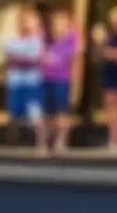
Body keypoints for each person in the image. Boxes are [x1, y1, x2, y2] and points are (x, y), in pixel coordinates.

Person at [5, 9, 47, 153]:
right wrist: (26, 59)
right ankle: (12, 142)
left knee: (35, 113)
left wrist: (23, 59)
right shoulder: (13, 41)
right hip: (16, 82)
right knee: (13, 114)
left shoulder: (38, 42)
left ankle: (41, 143)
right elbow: (11, 59)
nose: (28, 25)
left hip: (32, 83)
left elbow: (37, 59)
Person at [43, 10, 79, 155]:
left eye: (62, 22)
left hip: (62, 79)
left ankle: (61, 141)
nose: (59, 25)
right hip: (47, 79)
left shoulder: (70, 39)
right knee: (49, 112)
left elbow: (73, 55)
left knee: (62, 111)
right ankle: (49, 141)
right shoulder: (48, 39)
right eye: (57, 22)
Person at [98, 6, 117, 151]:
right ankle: (112, 139)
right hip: (110, 75)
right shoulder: (108, 37)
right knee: (111, 109)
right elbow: (103, 53)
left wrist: (111, 53)